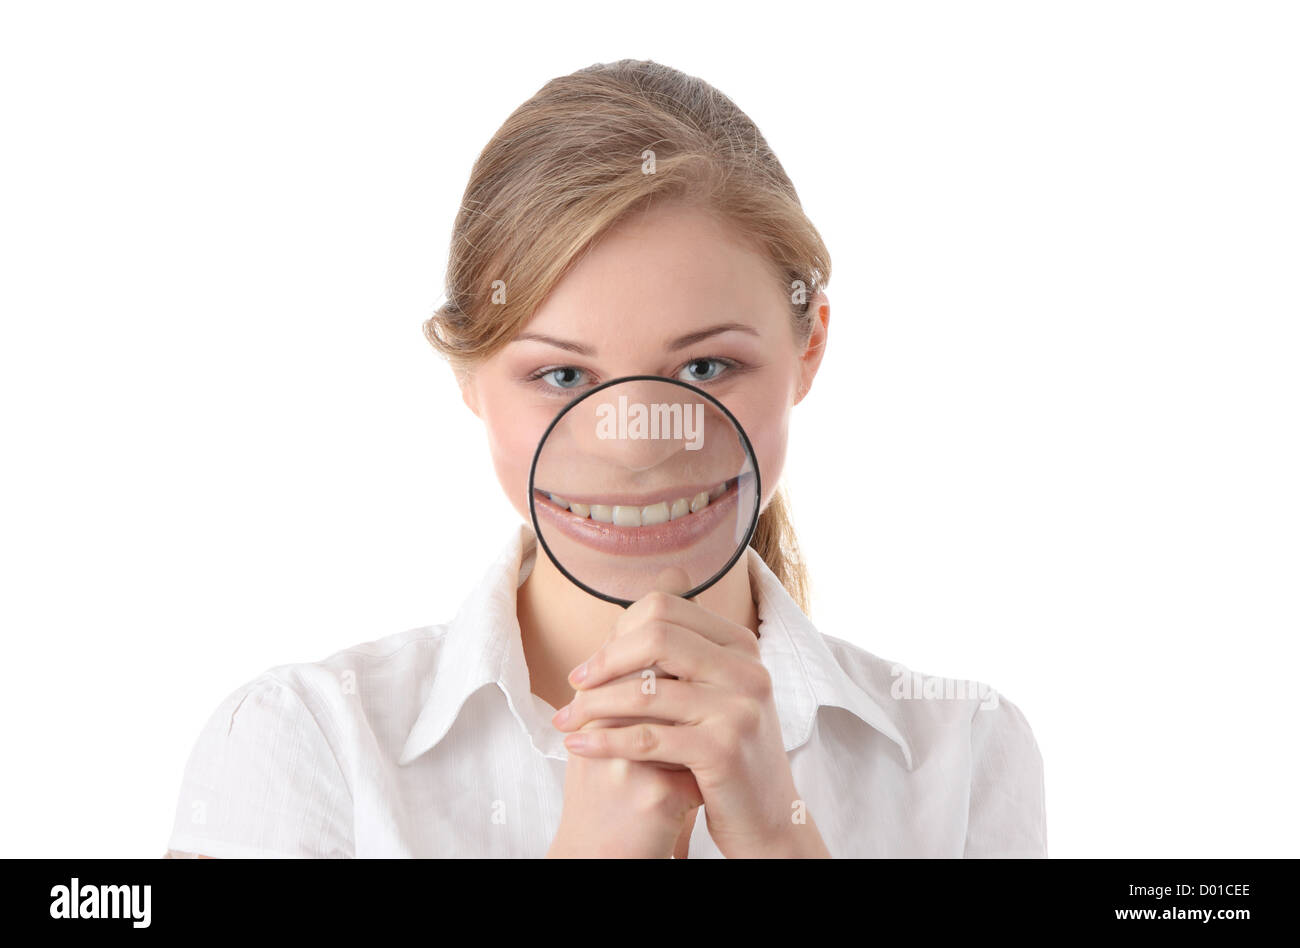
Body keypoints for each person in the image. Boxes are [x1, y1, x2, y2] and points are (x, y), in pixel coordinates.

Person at [165, 58, 1047, 859]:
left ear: (809, 345)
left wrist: (784, 842)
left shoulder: (964, 752)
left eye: (706, 367)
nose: (634, 446)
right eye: (560, 374)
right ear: (470, 376)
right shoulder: (300, 745)